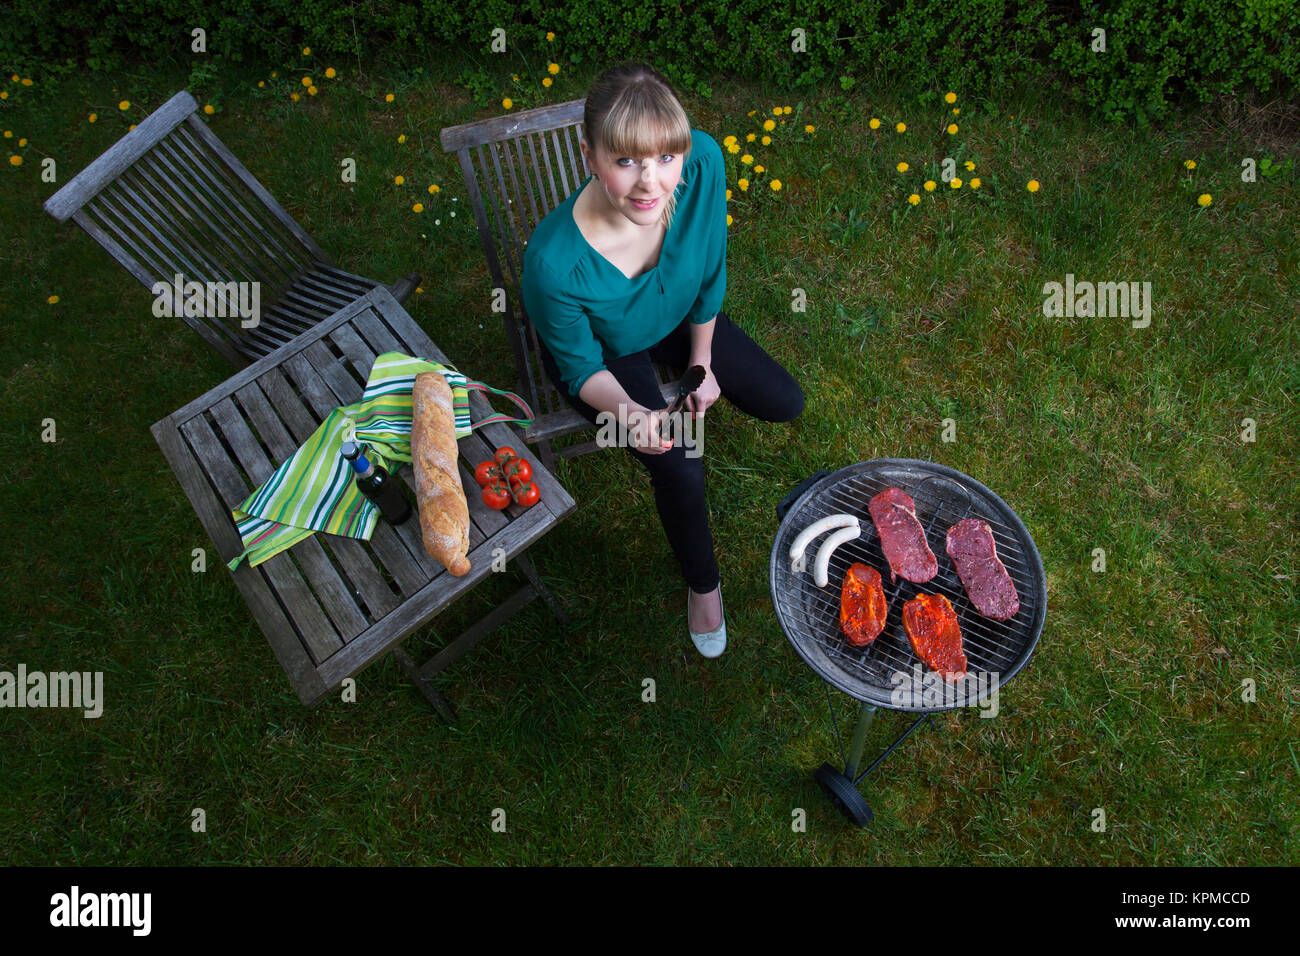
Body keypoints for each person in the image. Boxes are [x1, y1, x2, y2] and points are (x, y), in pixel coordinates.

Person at [520, 61, 804, 658]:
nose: (651, 184)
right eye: (625, 162)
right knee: (677, 466)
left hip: (675, 313)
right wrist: (629, 412)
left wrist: (701, 363)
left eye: (663, 159)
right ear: (589, 157)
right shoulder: (553, 264)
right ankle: (705, 588)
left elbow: (709, 270)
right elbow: (577, 369)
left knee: (785, 401)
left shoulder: (701, 162)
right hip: (605, 353)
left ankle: (686, 367)